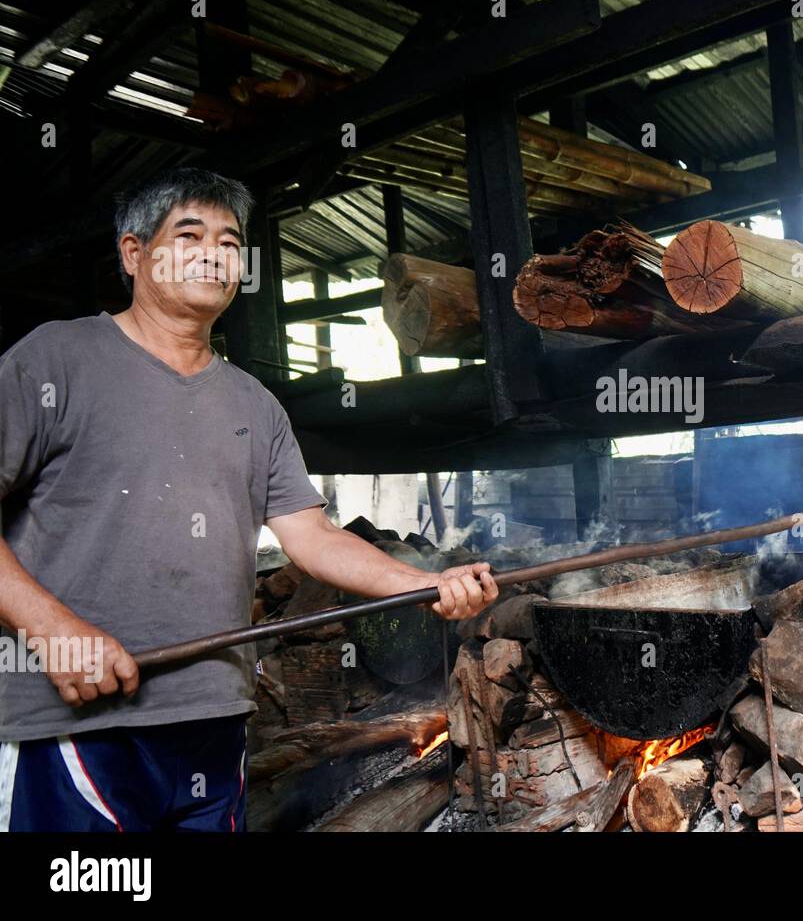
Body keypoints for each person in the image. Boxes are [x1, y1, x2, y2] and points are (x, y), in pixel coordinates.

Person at [0, 168, 497, 831]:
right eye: (189, 234)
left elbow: (312, 538)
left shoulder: (252, 405)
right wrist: (54, 632)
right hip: (79, 731)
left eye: (230, 242)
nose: (215, 252)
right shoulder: (55, 361)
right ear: (133, 253)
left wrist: (426, 582)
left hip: (213, 720)